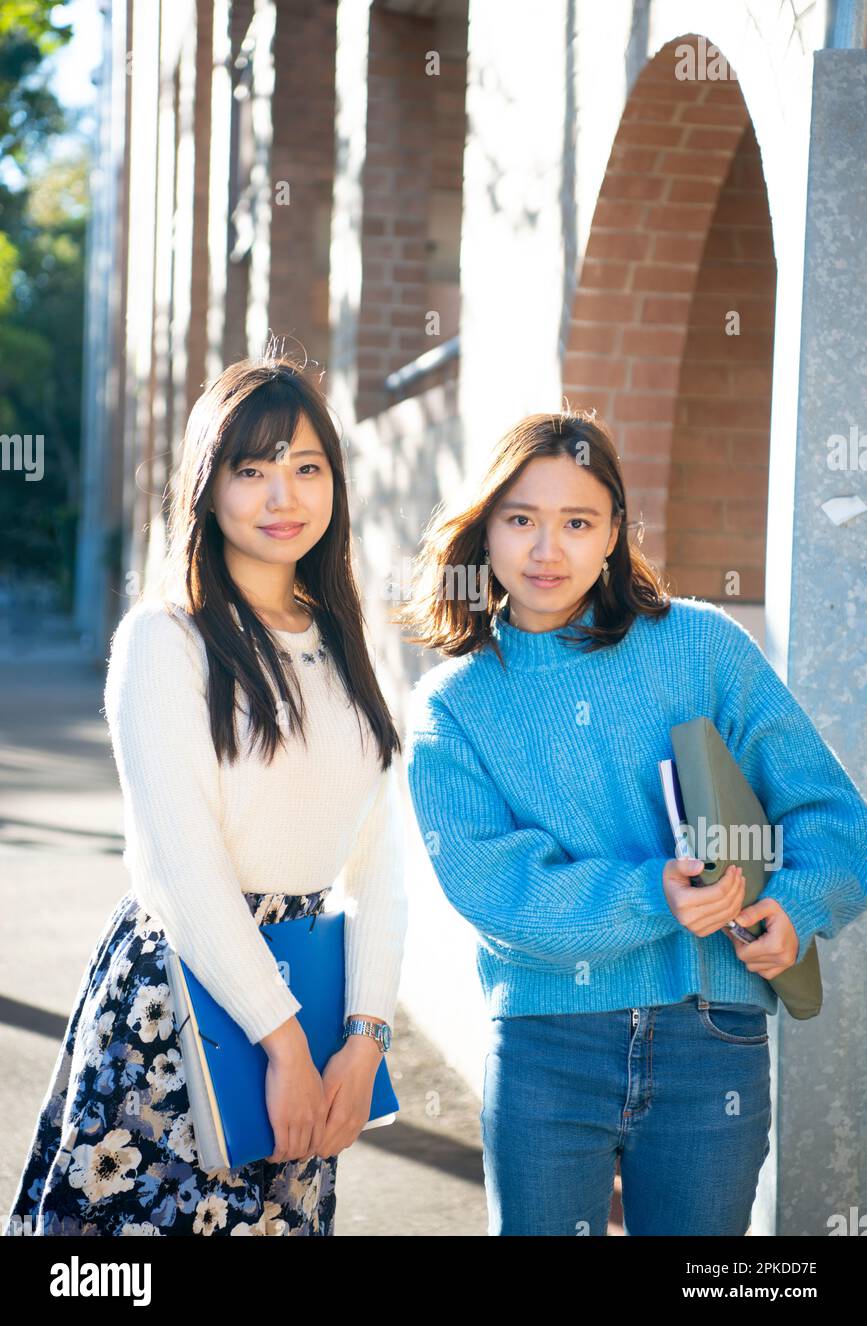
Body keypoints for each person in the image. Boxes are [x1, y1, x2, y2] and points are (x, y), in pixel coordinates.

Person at [399, 407, 867, 1237]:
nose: (548, 551)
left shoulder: (702, 647)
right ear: (486, 533)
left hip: (711, 1033)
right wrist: (654, 893)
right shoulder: (451, 708)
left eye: (576, 522)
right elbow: (496, 895)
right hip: (547, 1043)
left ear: (614, 532)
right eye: (521, 521)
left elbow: (832, 818)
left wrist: (793, 908)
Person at [5, 353, 408, 1236]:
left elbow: (383, 861)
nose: (282, 495)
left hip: (307, 995)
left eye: (306, 467)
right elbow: (183, 867)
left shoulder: (345, 643)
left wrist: (364, 1037)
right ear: (208, 486)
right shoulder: (165, 641)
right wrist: (286, 1042)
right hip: (179, 1006)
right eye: (251, 469)